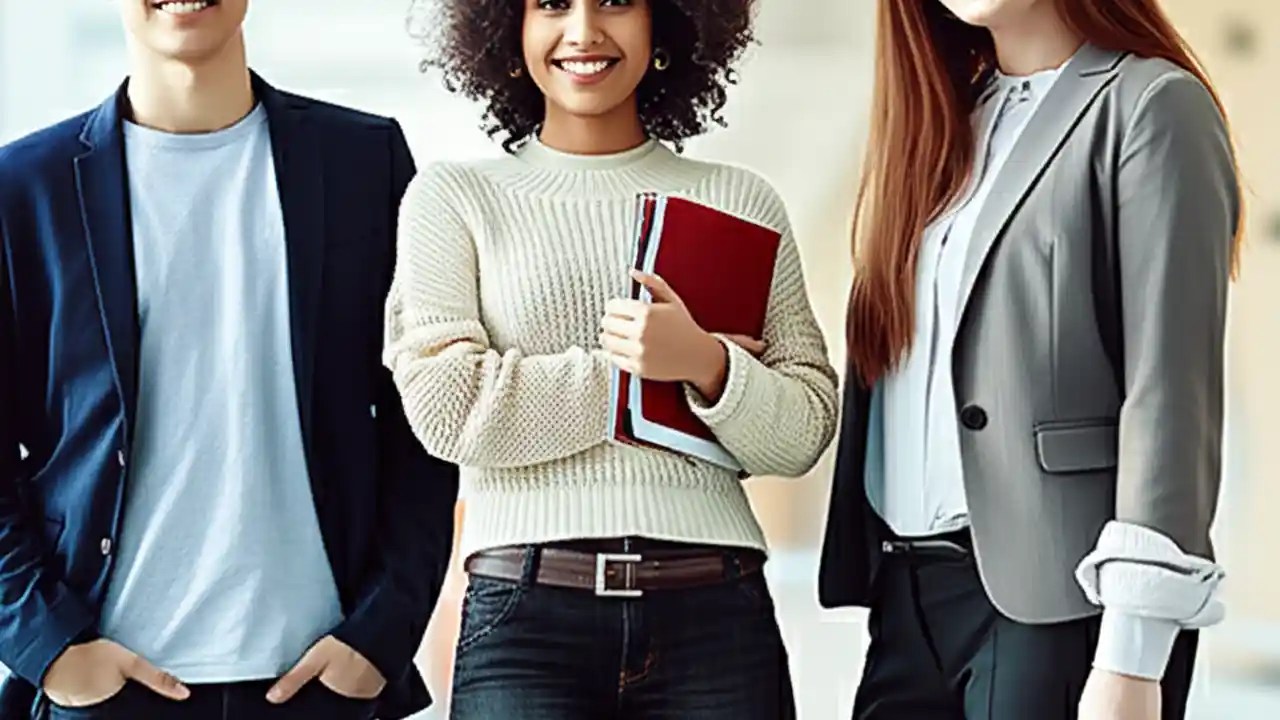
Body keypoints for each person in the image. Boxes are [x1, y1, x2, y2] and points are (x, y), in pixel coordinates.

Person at [0, 1, 459, 718]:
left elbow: (425, 416)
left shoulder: (363, 161)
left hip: (318, 681)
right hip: (106, 684)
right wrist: (48, 645)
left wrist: (380, 633)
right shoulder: (25, 187)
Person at [389, 0, 839, 717]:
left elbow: (804, 429)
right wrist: (636, 370)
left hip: (716, 621)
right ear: (510, 30)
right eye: (552, 6)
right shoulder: (454, 199)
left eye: (617, 2)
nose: (584, 31)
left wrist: (708, 366)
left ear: (667, 24)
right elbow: (448, 410)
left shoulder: (740, 201)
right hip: (524, 622)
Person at [818, 0, 1241, 718]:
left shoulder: (1150, 107)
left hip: (1058, 606)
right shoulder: (938, 120)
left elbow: (1169, 396)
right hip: (906, 600)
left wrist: (1132, 656)